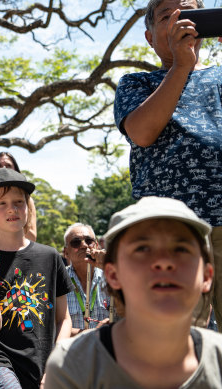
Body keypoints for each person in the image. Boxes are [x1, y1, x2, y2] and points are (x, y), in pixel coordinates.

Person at [113, 0, 222, 329]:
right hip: (167, 231)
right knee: (172, 340)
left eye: (189, 13)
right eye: (168, 16)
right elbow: (142, 133)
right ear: (149, 37)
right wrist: (180, 68)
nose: (180, 21)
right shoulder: (136, 84)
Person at [45, 196, 222, 388]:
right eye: (143, 248)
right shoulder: (69, 367)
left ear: (207, 275)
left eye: (181, 248)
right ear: (113, 274)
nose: (164, 261)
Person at [0, 169, 72, 388]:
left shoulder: (51, 256)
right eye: (1, 204)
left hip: (41, 361)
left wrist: (57, 361)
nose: (12, 209)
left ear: (28, 207)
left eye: (18, 202)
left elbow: (64, 319)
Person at [62, 223, 111, 335]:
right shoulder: (58, 280)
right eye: (76, 242)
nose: (84, 245)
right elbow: (54, 327)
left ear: (97, 246)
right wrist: (93, 334)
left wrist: (111, 265)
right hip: (71, 350)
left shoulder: (111, 277)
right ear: (66, 253)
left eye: (89, 241)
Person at [0, 152, 37, 241]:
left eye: (8, 165)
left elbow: (32, 237)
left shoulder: (28, 200)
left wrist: (15, 222)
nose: (4, 168)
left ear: (15, 170)